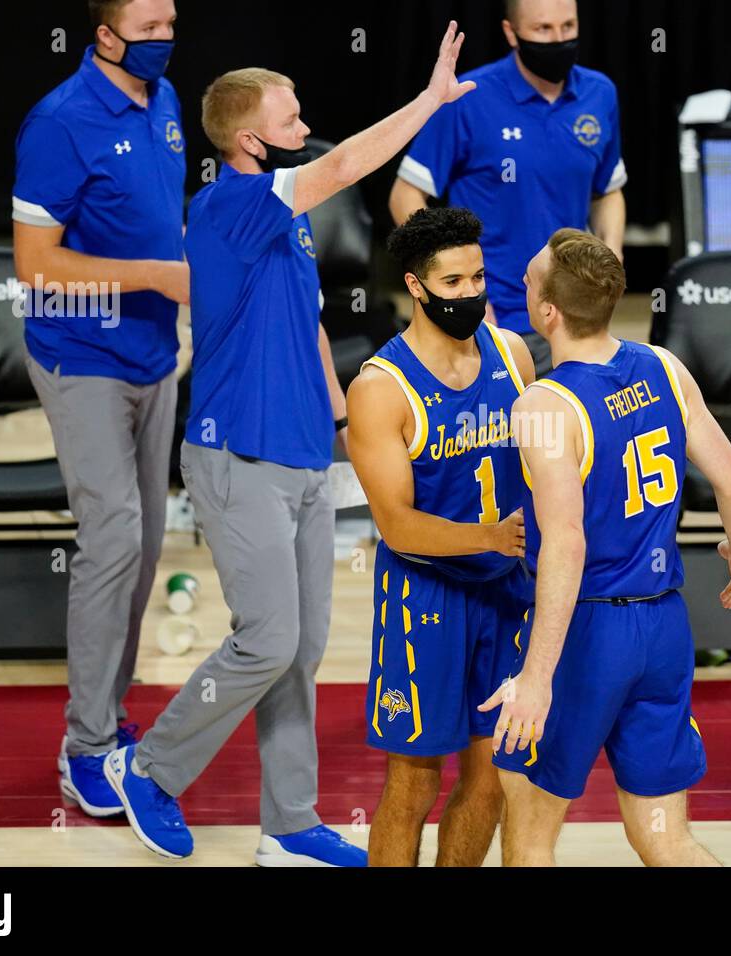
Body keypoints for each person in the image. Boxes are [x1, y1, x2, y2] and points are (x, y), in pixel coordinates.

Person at [103, 23, 478, 865]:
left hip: (306, 454)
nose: (305, 124)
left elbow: (307, 323)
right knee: (267, 639)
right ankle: (151, 767)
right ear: (248, 138)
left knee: (300, 650)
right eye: (290, 114)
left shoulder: (287, 222)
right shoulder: (234, 202)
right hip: (238, 456)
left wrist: (343, 418)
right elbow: (347, 167)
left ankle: (290, 823)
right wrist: (428, 100)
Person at [482, 229, 731, 866]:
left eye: (528, 279)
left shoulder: (544, 406)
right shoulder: (664, 368)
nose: (520, 285)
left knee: (529, 833)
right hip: (664, 627)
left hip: (585, 633)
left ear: (547, 312)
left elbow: (566, 546)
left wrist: (537, 678)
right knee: (664, 837)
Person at [12, 0, 188, 818]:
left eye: (171, 25)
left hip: (156, 356)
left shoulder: (170, 101)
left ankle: (109, 714)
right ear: (105, 34)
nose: (165, 40)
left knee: (148, 546)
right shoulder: (59, 122)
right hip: (80, 357)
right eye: (149, 28)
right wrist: (154, 276)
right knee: (113, 534)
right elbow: (36, 266)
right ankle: (83, 747)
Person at [347, 206, 536, 866]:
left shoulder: (511, 355)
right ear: (416, 286)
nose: (471, 293)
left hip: (505, 593)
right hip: (424, 599)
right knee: (414, 784)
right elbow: (395, 523)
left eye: (479, 277)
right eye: (453, 282)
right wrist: (489, 536)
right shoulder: (379, 388)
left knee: (491, 778)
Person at [388, 0, 626, 374]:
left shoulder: (600, 93)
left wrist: (612, 255)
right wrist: (457, 288)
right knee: (504, 432)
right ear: (511, 33)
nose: (558, 39)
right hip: (493, 318)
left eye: (567, 27)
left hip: (573, 317)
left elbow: (608, 190)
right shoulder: (468, 95)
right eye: (543, 30)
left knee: (576, 427)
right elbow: (405, 194)